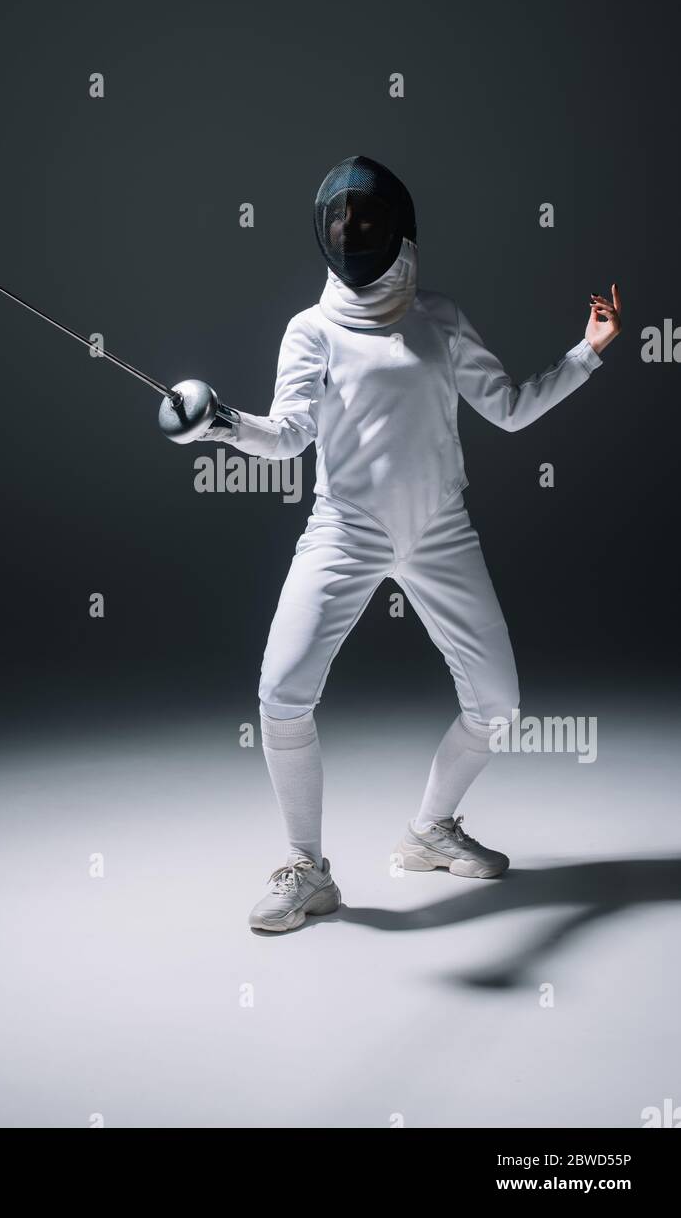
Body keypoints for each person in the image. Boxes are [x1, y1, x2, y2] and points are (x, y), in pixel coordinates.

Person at [198, 155, 621, 932]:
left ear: (400, 232)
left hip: (439, 533)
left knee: (498, 706)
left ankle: (429, 831)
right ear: (323, 233)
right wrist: (222, 423)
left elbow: (511, 410)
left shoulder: (440, 318)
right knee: (280, 694)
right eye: (339, 220)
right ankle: (308, 870)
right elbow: (288, 437)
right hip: (343, 531)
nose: (351, 229)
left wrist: (585, 353)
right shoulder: (311, 330)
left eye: (365, 218)